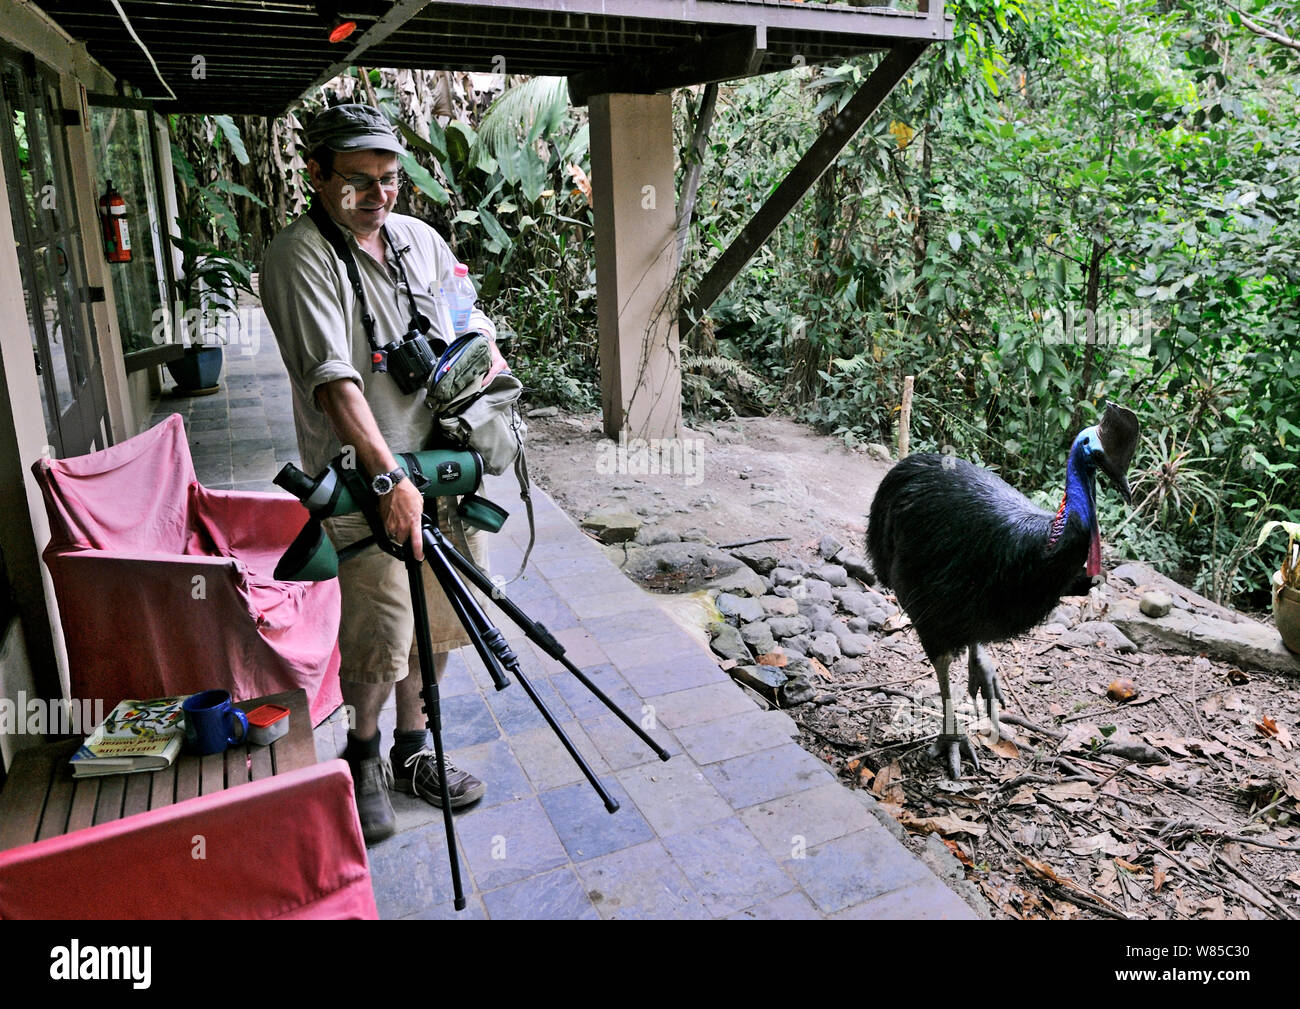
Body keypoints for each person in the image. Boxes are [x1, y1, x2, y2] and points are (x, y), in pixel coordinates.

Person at [261, 103, 507, 844]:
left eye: (390, 179)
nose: (377, 195)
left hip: (437, 466)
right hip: (363, 475)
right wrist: (389, 481)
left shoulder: (419, 241)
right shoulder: (299, 255)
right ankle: (361, 753)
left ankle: (412, 750)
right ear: (316, 174)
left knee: (437, 617)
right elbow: (335, 383)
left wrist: (486, 387)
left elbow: (472, 324)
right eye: (359, 181)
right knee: (382, 624)